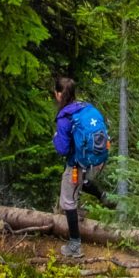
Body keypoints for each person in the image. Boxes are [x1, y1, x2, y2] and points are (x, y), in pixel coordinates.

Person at [53, 77, 104, 262]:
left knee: (67, 201)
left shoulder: (65, 117)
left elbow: (63, 149)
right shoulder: (84, 107)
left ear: (58, 94)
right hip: (93, 159)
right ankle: (103, 196)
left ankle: (75, 245)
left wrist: (55, 138)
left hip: (76, 163)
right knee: (80, 185)